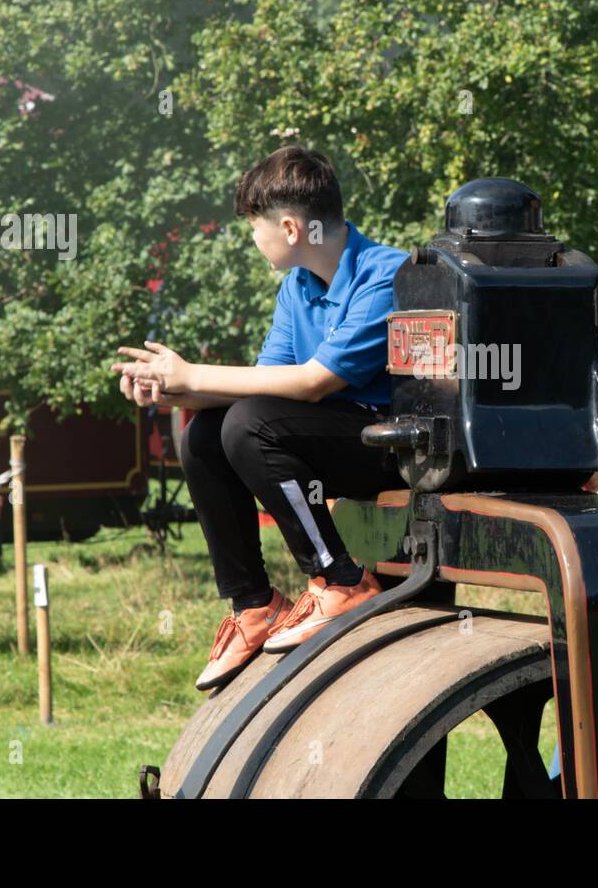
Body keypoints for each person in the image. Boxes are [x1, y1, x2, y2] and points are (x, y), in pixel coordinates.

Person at [111, 146, 409, 691]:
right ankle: (255, 604)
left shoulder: (384, 275)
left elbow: (315, 382)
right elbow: (262, 380)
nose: (253, 238)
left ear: (291, 228)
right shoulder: (298, 287)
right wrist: (171, 392)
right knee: (204, 434)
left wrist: (193, 374)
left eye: (254, 226)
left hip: (389, 447)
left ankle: (341, 578)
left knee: (247, 424)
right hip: (332, 439)